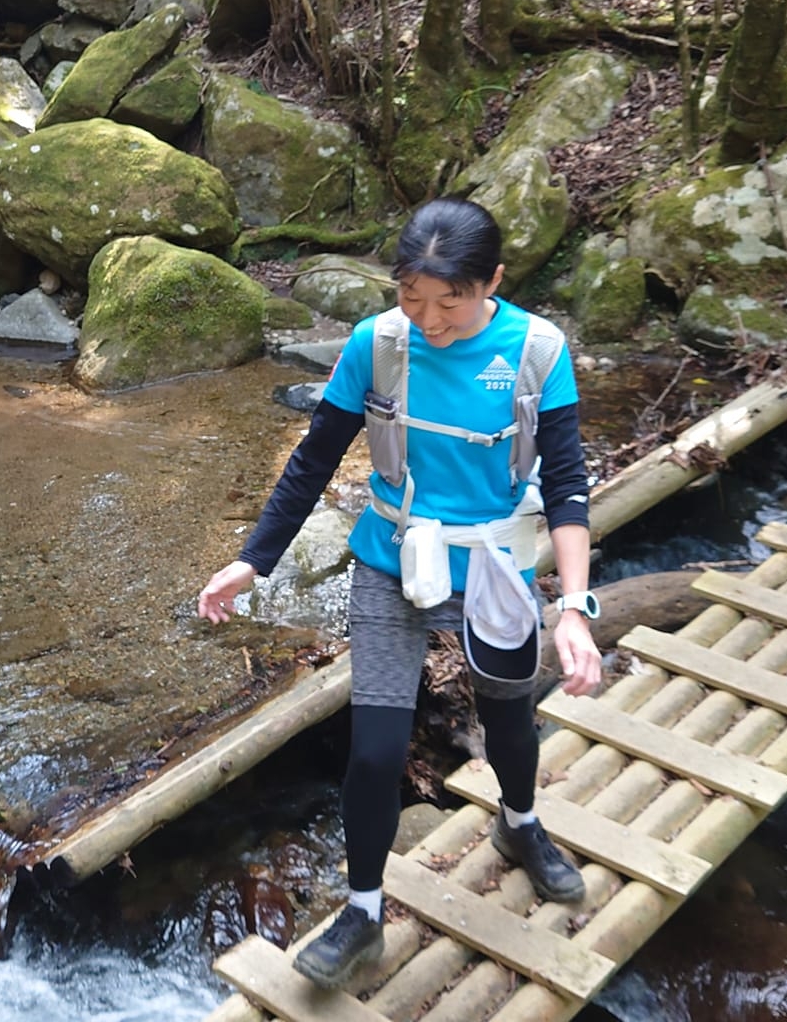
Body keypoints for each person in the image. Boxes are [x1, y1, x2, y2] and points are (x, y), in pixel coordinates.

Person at [195, 197, 602, 990]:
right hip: (391, 558)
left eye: (450, 302)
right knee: (376, 749)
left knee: (510, 719)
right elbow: (314, 460)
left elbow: (568, 488)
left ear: (493, 281)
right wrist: (254, 561)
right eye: (412, 299)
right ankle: (362, 910)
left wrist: (576, 608)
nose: (429, 319)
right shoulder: (375, 346)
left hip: (492, 566)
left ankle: (520, 823)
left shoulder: (537, 352)